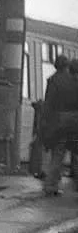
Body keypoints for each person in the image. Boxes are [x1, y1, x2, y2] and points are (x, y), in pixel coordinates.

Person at [41, 55, 78, 195]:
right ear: (67, 66)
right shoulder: (74, 81)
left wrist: (46, 123)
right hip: (74, 121)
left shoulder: (53, 80)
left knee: (58, 154)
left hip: (59, 122)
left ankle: (50, 186)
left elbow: (49, 104)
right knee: (76, 154)